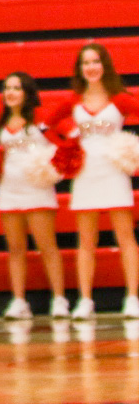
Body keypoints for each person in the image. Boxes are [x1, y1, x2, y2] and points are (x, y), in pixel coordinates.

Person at [42, 42, 139, 320]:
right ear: (80, 69)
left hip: (114, 170)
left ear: (104, 65)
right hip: (85, 171)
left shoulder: (119, 98)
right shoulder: (73, 101)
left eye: (96, 61)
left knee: (125, 237)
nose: (91, 67)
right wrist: (67, 143)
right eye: (86, 63)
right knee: (86, 241)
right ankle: (85, 300)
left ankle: (132, 298)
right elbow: (45, 126)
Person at [0, 73, 67, 320]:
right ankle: (19, 301)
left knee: (47, 247)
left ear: (27, 93)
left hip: (38, 190)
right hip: (9, 191)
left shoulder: (41, 120)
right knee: (16, 249)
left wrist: (50, 168)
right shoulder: (0, 124)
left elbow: (61, 147)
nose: (10, 92)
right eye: (7, 88)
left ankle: (60, 299)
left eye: (16, 88)